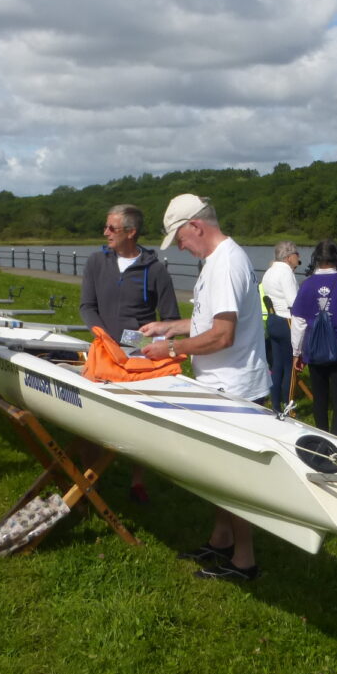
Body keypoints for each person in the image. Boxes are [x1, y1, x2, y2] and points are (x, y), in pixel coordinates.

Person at [140, 194, 269, 582]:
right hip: (220, 384)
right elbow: (208, 322)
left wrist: (172, 348)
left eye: (180, 237)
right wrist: (170, 326)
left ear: (196, 226)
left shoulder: (226, 264)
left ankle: (244, 561)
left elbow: (223, 335)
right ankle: (221, 538)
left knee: (234, 477)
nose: (179, 246)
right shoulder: (216, 262)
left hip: (235, 389)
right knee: (217, 472)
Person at [80, 203, 182, 503]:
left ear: (131, 232)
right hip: (102, 350)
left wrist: (143, 341)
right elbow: (87, 306)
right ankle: (88, 480)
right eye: (106, 227)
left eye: (112, 228)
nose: (105, 232)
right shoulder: (97, 262)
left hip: (139, 355)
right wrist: (102, 335)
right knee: (91, 416)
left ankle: (138, 481)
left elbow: (171, 318)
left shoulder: (156, 270)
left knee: (138, 419)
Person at [288, 240, 337, 439]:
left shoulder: (307, 285)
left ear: (316, 259)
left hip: (314, 352)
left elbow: (298, 323)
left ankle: (322, 438)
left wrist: (297, 353)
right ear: (336, 259)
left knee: (319, 399)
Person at [261, 241, 301, 409]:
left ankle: (275, 404)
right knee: (290, 367)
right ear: (289, 256)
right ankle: (288, 404)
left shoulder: (269, 272)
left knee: (277, 366)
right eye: (297, 255)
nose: (298, 259)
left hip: (273, 319)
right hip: (287, 321)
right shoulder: (286, 273)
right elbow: (293, 302)